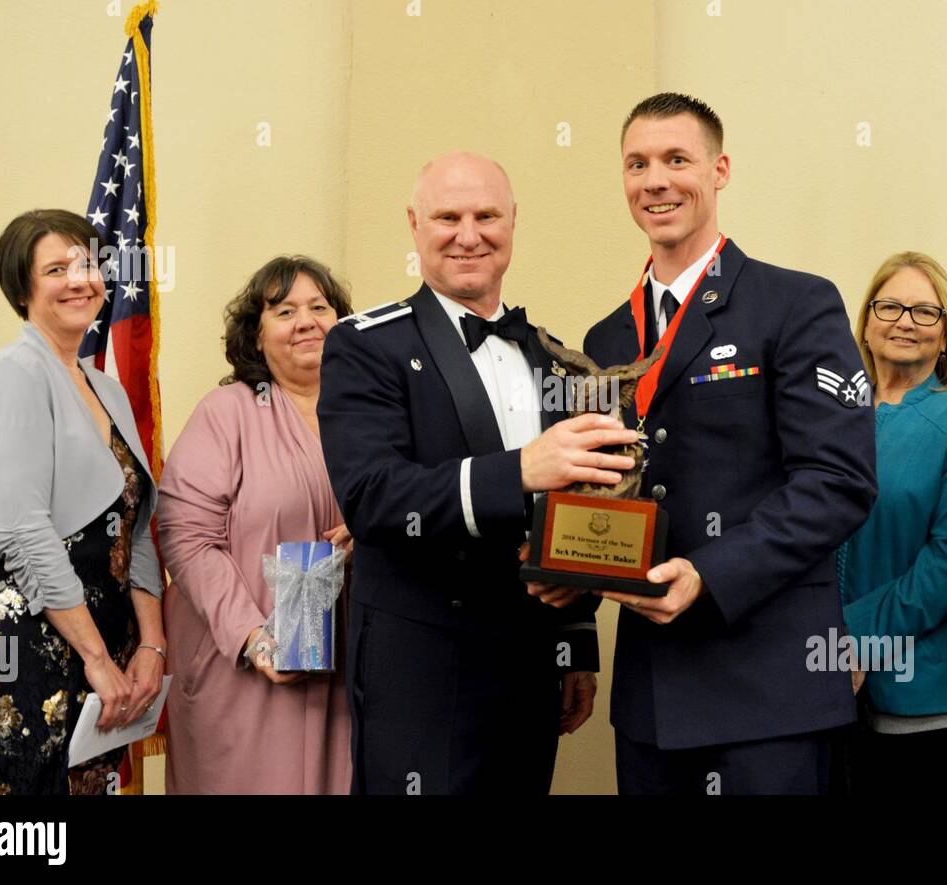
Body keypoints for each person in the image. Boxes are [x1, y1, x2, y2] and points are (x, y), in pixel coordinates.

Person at [555, 93, 877, 794]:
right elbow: (597, 490)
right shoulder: (607, 340)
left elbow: (838, 480)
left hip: (766, 691)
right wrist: (566, 572)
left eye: (678, 159)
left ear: (720, 169)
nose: (656, 181)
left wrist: (711, 572)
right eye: (637, 164)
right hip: (651, 700)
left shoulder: (795, 304)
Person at [318, 151, 631, 794]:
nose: (469, 235)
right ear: (414, 224)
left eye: (487, 215)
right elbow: (372, 499)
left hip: (529, 667)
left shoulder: (554, 356)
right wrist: (520, 469)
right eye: (447, 216)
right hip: (423, 672)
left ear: (513, 221)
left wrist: (575, 646)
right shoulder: (366, 344)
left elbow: (575, 512)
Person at [0, 209, 165, 795]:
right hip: (24, 632)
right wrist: (96, 656)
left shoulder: (106, 386)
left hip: (100, 637)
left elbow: (137, 527)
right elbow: (20, 529)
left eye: (89, 263)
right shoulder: (11, 373)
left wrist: (150, 644)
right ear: (22, 290)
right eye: (56, 269)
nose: (79, 279)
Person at [157, 256, 354, 794]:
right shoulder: (228, 412)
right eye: (285, 310)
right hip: (240, 662)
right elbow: (185, 536)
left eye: (320, 307)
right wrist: (252, 637)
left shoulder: (370, 414)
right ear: (257, 335)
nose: (307, 321)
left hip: (346, 665)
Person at [839, 251, 947, 794]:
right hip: (828, 697)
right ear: (866, 322)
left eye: (924, 312)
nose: (904, 321)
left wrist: (851, 637)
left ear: (946, 336)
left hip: (936, 702)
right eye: (889, 306)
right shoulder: (827, 420)